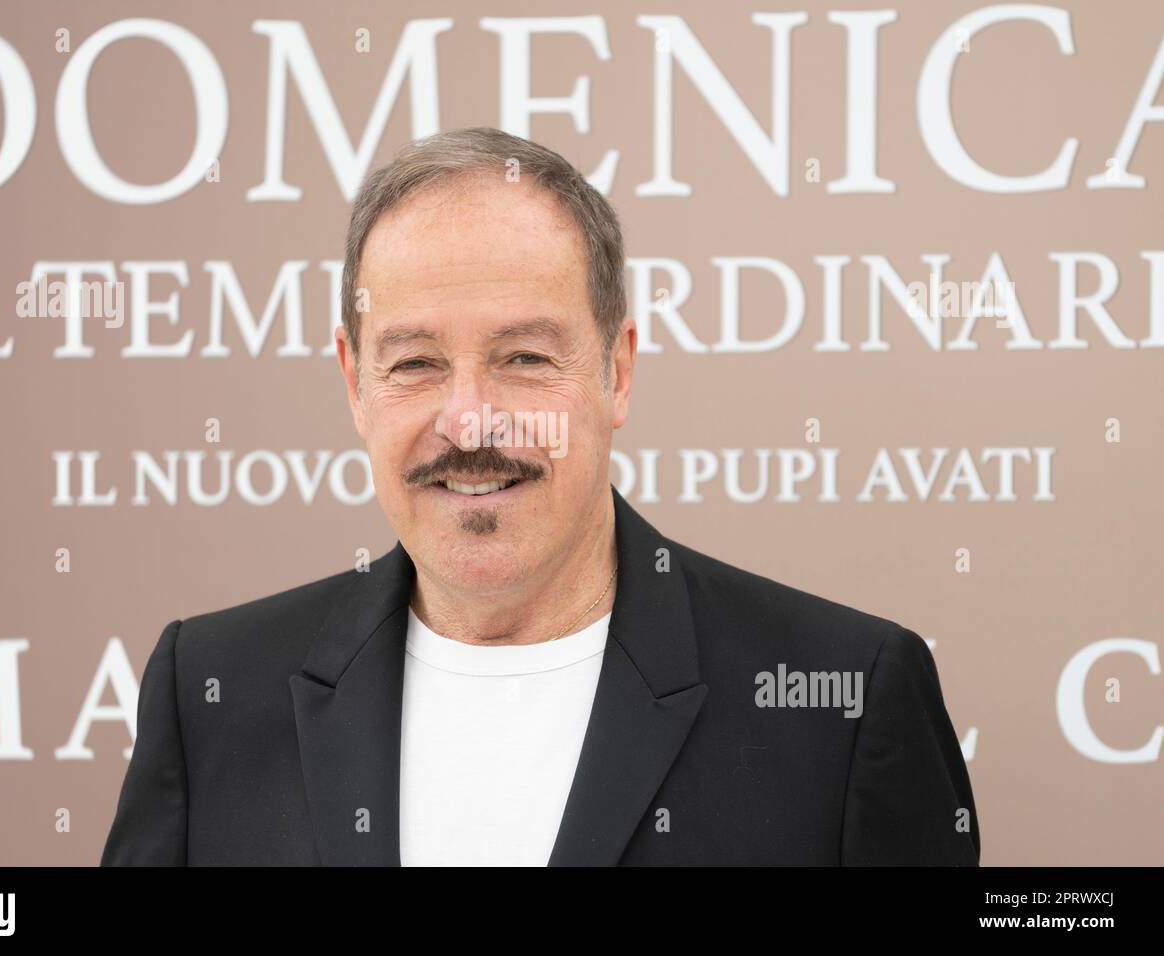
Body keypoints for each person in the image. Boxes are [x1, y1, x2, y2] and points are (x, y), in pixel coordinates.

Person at [101, 127, 979, 866]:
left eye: (524, 358)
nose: (471, 421)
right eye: (415, 363)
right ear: (354, 384)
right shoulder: (209, 690)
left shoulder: (845, 703)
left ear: (617, 370)